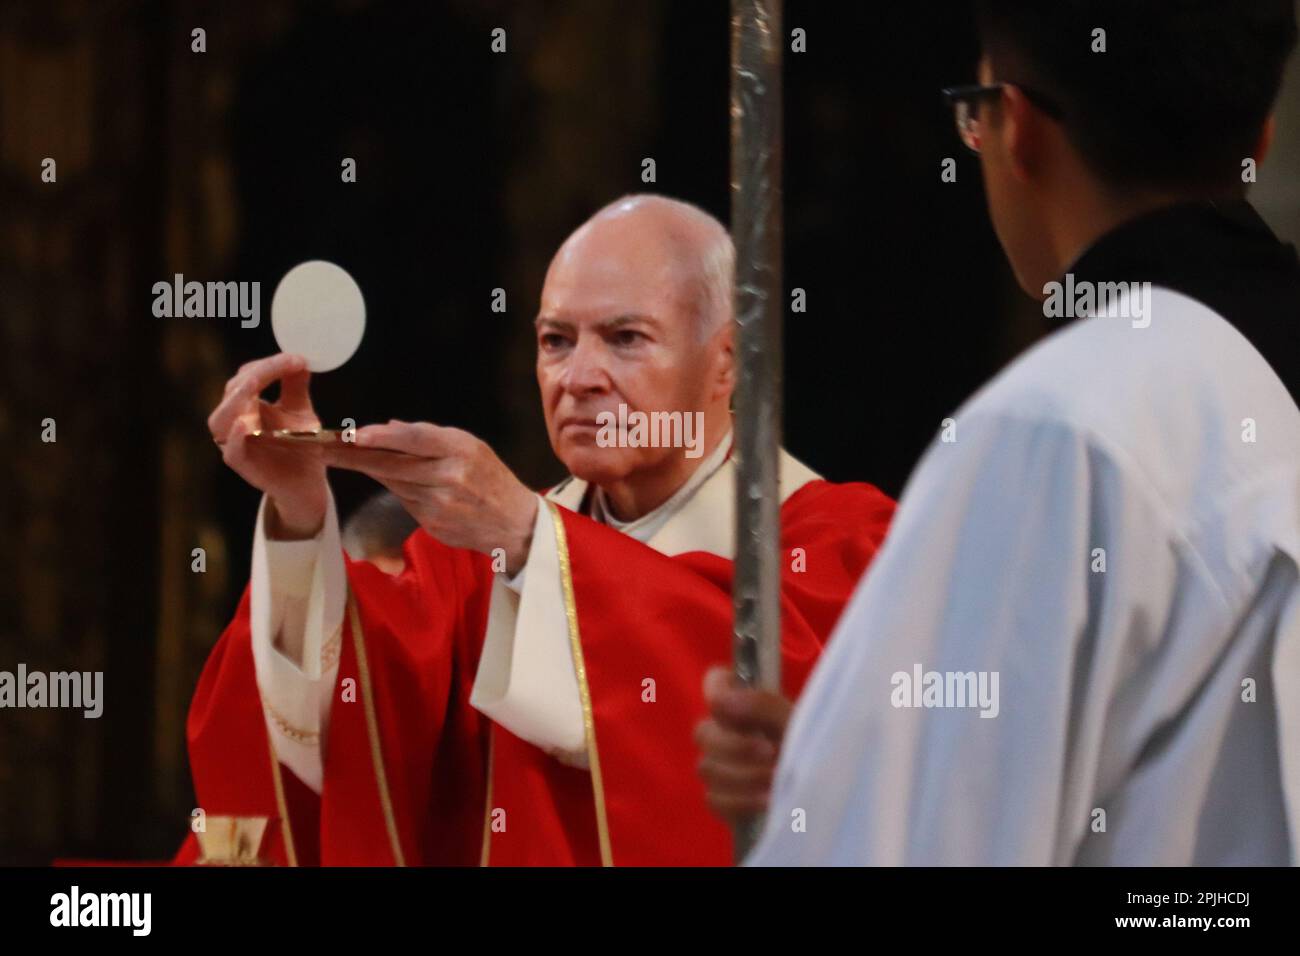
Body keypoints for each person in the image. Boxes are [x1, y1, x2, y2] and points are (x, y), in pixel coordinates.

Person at [700, 0, 1300, 865]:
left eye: (971, 113)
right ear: (1264, 140)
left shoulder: (1057, 429)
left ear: (1014, 130)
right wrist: (845, 770)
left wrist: (861, 805)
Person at [179, 194, 895, 866]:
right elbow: (333, 731)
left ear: (728, 362)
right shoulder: (472, 561)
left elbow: (801, 750)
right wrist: (303, 515)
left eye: (625, 338)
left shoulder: (847, 547)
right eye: (556, 340)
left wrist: (529, 538)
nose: (579, 375)